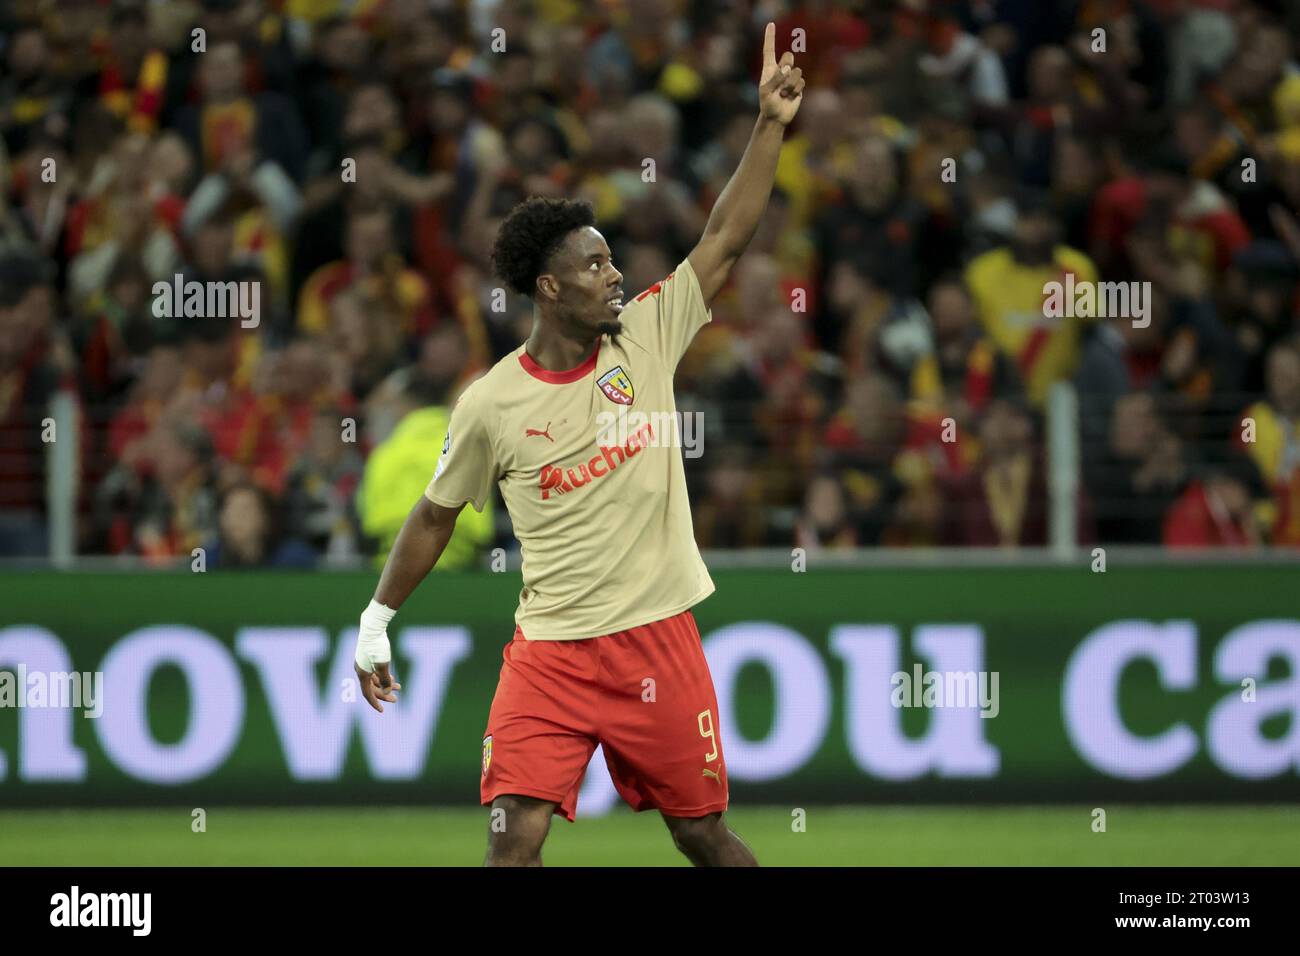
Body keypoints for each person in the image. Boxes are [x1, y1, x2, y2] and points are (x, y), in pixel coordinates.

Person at [351, 23, 805, 867]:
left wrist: (769, 124)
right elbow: (434, 515)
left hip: (655, 638)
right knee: (511, 841)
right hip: (550, 656)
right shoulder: (491, 402)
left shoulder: (647, 334)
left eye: (611, 261)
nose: (616, 276)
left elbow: (724, 239)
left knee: (701, 833)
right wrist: (378, 621)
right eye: (595, 267)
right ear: (549, 288)